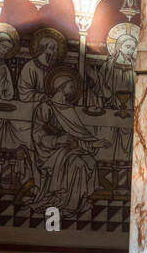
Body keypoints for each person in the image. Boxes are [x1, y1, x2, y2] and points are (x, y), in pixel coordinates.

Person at [30, 68, 107, 216]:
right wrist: (57, 140)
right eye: (71, 86)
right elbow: (38, 135)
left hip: (70, 149)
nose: (74, 90)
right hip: (50, 151)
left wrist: (94, 143)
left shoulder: (68, 109)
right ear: (61, 87)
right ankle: (67, 204)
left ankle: (77, 201)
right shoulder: (46, 107)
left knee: (90, 162)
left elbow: (78, 134)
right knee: (78, 164)